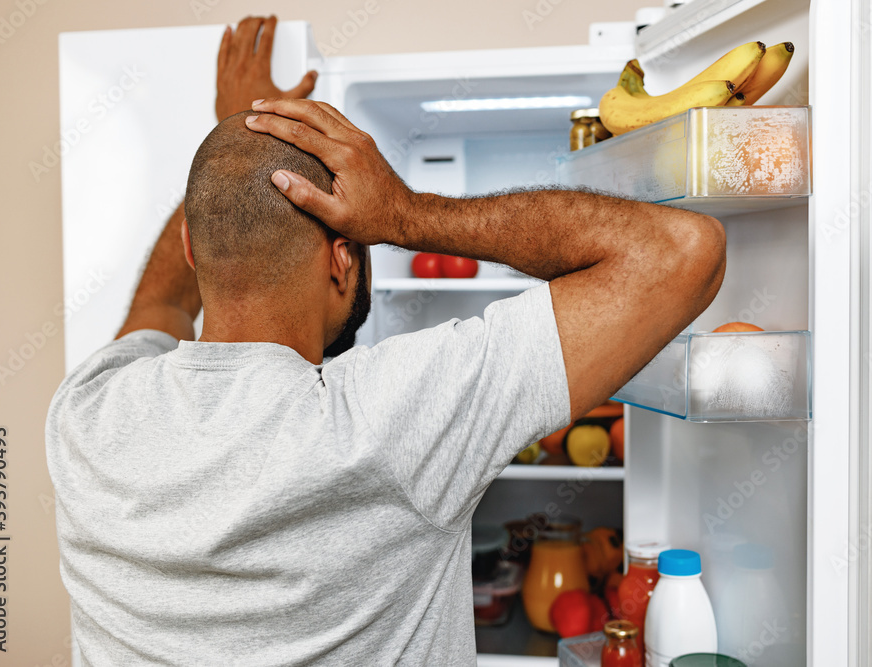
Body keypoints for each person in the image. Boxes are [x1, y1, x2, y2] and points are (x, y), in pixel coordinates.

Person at [46, 15, 726, 666]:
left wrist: (234, 135)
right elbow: (684, 251)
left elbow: (160, 298)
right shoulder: (389, 418)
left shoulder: (87, 410)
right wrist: (405, 213)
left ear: (193, 247)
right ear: (342, 260)